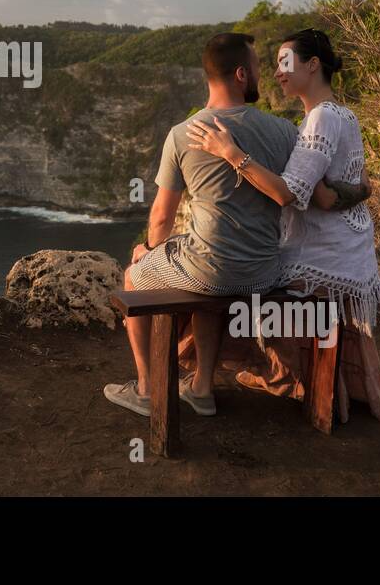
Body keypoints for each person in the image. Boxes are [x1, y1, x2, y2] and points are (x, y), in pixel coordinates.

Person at [187, 28, 380, 420]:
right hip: (348, 249)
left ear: (313, 65)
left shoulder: (319, 119)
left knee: (230, 273)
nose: (279, 73)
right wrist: (336, 194)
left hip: (323, 255)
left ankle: (219, 374)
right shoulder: (342, 114)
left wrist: (230, 153)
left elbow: (292, 194)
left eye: (286, 63)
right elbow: (361, 186)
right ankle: (236, 372)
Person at [104, 32, 298, 418]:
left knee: (133, 276)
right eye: (259, 67)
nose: (263, 74)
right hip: (263, 272)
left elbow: (161, 217)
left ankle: (146, 389)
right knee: (207, 274)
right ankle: (202, 389)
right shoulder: (285, 132)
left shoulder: (183, 134)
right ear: (242, 74)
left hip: (212, 270)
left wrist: (148, 250)